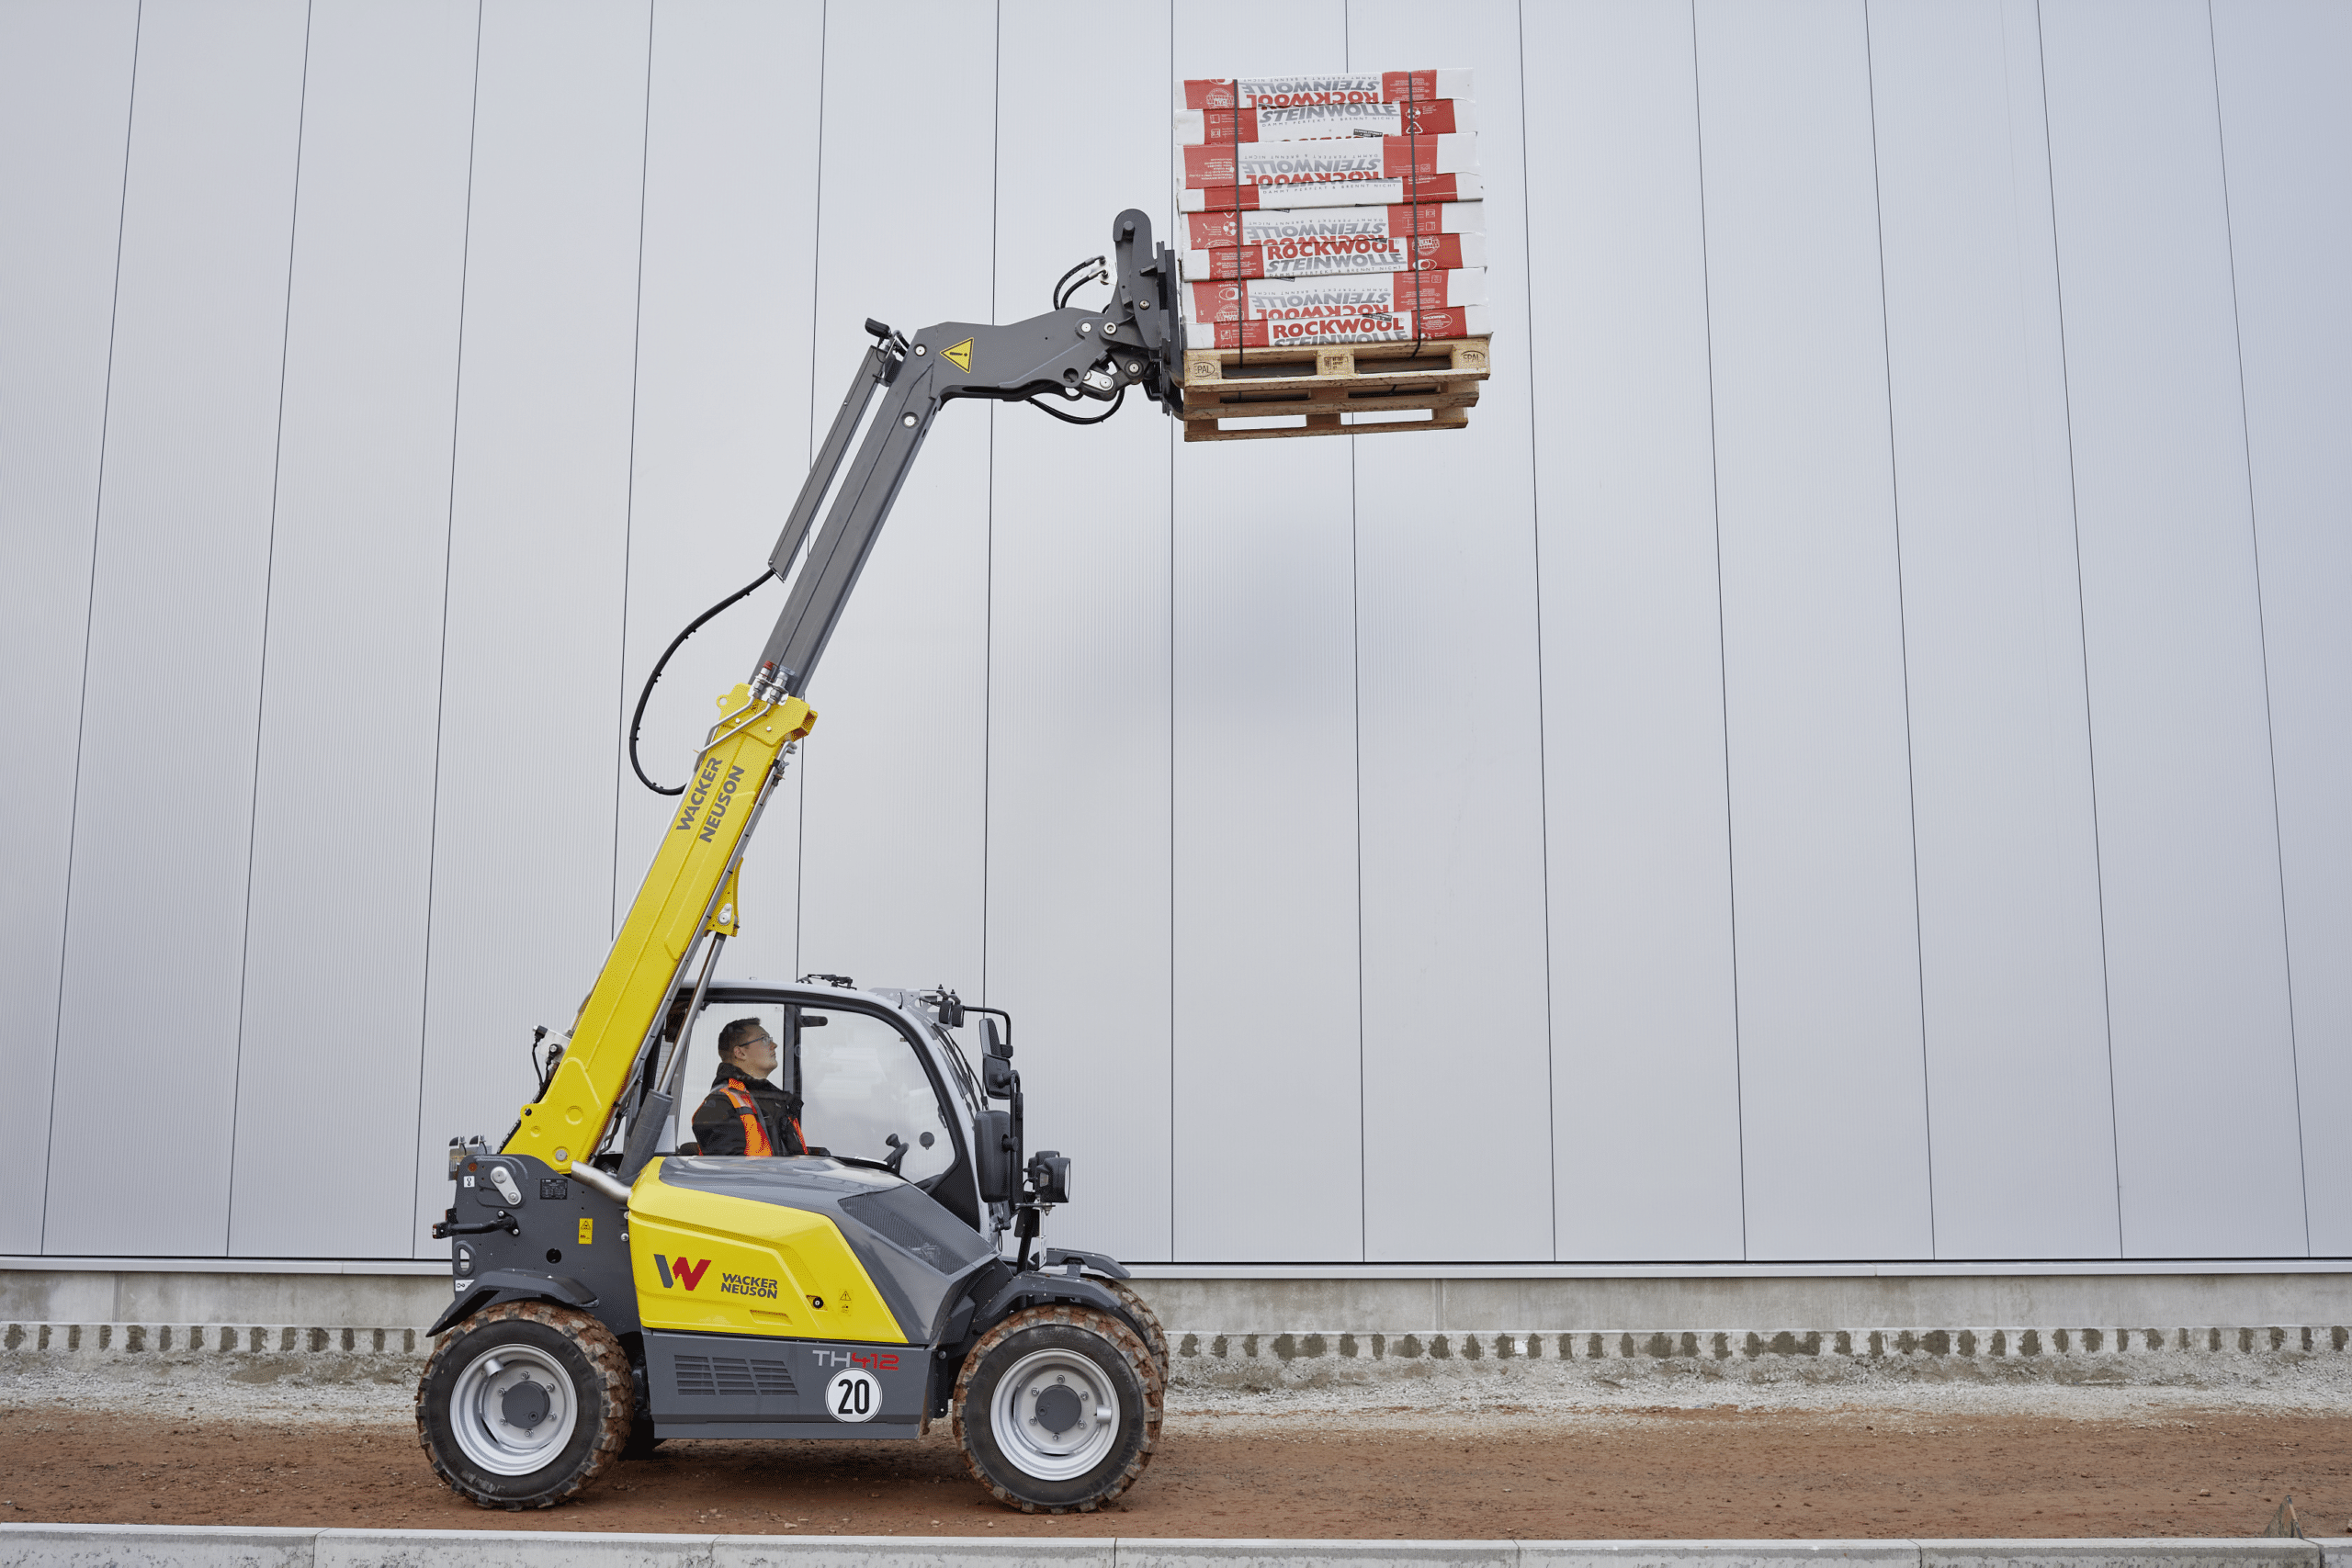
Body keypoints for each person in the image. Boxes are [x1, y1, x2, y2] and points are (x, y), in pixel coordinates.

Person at [689, 1017, 807, 1156]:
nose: (774, 1045)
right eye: (765, 1040)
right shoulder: (719, 1105)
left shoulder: (772, 1101)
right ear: (740, 1053)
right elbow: (733, 1173)